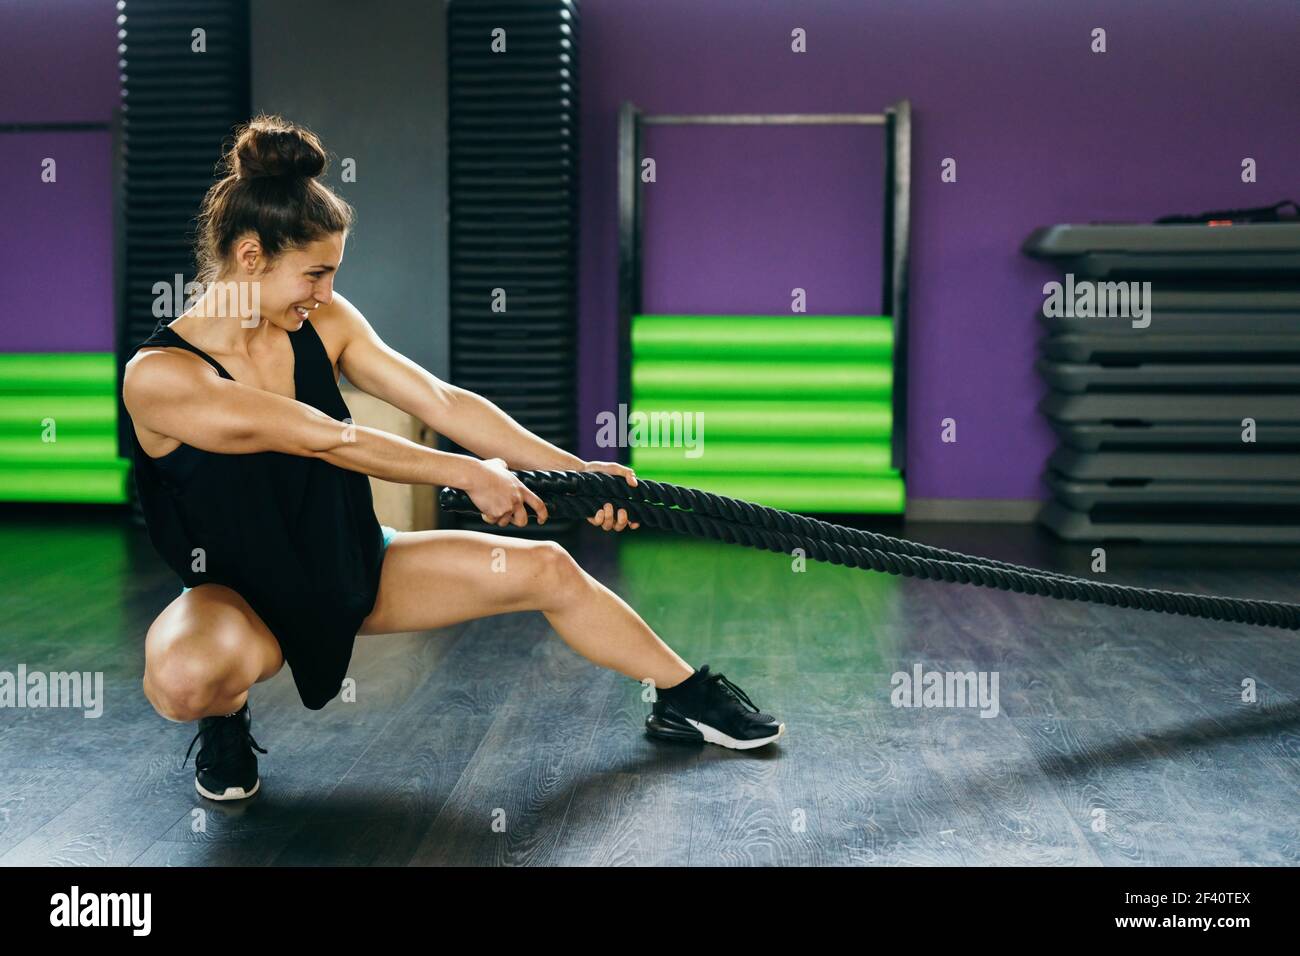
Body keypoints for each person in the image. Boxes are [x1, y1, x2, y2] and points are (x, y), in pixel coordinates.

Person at [122, 114, 785, 801]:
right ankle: (223, 722)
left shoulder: (324, 322)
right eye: (314, 274)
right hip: (238, 601)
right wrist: (468, 473)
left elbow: (443, 402)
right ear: (252, 256)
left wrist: (574, 475)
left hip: (350, 564)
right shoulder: (162, 378)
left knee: (549, 569)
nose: (324, 294)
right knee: (185, 675)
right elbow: (323, 436)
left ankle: (682, 695)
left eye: (332, 275)